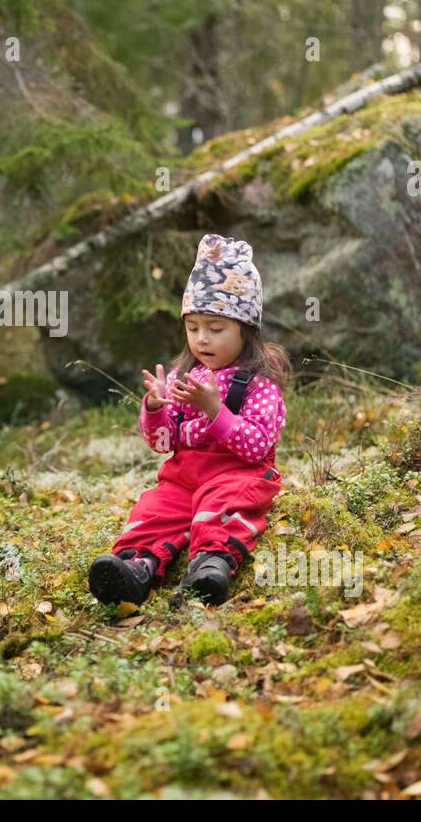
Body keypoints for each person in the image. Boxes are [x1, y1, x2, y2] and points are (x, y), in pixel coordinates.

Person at [88, 234, 291, 606]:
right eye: (193, 327)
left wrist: (215, 410)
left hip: (236, 472)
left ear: (245, 330)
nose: (202, 339)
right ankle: (135, 569)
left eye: (216, 328)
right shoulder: (188, 376)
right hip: (184, 478)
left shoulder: (260, 385)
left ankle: (210, 566)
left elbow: (258, 446)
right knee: (156, 508)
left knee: (224, 504)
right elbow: (165, 444)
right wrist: (154, 408)